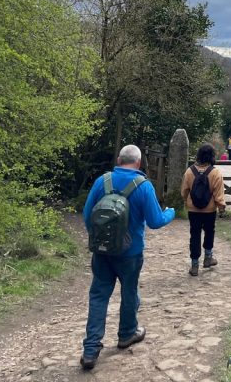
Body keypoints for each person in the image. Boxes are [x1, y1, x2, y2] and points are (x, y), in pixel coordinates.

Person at [80, 145, 175, 370]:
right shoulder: (143, 186)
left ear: (119, 159)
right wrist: (170, 212)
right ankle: (127, 334)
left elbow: (87, 216)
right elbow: (155, 221)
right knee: (129, 292)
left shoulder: (102, 181)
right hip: (130, 254)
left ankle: (91, 349)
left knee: (98, 296)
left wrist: (99, 241)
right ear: (138, 163)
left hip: (102, 253)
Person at [181, 143, 226, 276]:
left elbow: (184, 191)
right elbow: (219, 195)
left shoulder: (189, 171)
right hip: (209, 210)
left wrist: (186, 201)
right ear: (212, 156)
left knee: (194, 235)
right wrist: (221, 207)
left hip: (193, 210)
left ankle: (194, 265)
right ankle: (208, 257)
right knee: (209, 232)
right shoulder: (215, 173)